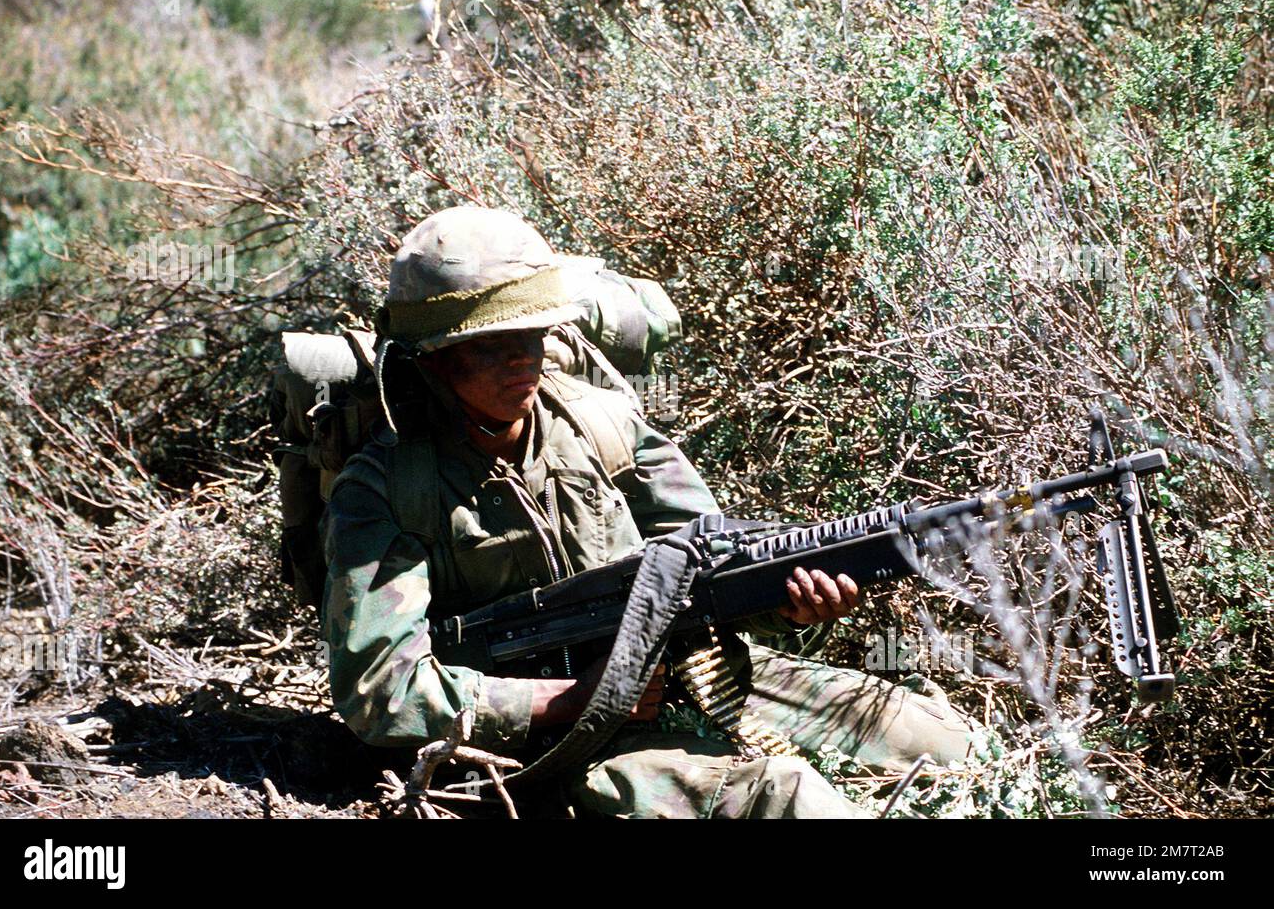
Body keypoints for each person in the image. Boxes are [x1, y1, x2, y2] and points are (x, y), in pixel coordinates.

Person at [321, 205, 977, 818]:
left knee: (946, 745)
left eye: (534, 333)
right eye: (491, 344)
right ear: (434, 354)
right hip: (558, 739)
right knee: (788, 798)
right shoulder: (385, 487)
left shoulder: (593, 419)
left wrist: (786, 607)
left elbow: (708, 559)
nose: (523, 360)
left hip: (692, 671)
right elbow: (380, 688)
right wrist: (571, 699)